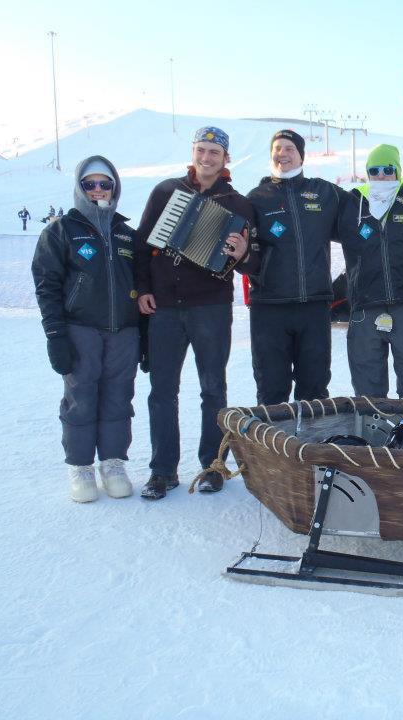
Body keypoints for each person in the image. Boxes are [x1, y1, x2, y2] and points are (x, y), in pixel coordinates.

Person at [135, 126, 258, 500]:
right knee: (162, 391)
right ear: (193, 153)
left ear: (225, 159)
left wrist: (242, 254)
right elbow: (142, 246)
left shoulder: (238, 204)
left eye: (214, 153)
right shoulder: (166, 192)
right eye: (201, 151)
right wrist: (141, 289)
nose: (206, 158)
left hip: (211, 307)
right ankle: (162, 470)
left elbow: (248, 261)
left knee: (212, 388)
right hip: (166, 308)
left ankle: (212, 465)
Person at [31, 156, 140, 502]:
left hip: (123, 330)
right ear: (79, 187)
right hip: (80, 328)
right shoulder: (62, 231)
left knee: (119, 396)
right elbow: (47, 286)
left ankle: (112, 463)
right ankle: (80, 466)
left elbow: (143, 285)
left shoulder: (126, 232)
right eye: (89, 183)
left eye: (104, 183)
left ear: (114, 187)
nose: (97, 190)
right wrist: (55, 334)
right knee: (81, 397)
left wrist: (147, 335)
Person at [245, 129, 343, 404]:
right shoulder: (257, 197)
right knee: (271, 390)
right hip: (269, 307)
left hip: (314, 306)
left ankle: (310, 447)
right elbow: (241, 248)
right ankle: (269, 449)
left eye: (289, 148)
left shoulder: (323, 192)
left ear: (301, 155)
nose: (283, 153)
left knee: (314, 391)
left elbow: (360, 215)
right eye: (277, 148)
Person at [336, 144, 403, 400]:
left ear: (398, 171)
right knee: (368, 389)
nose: (381, 176)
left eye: (388, 170)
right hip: (365, 309)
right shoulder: (351, 204)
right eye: (374, 170)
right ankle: (374, 438)